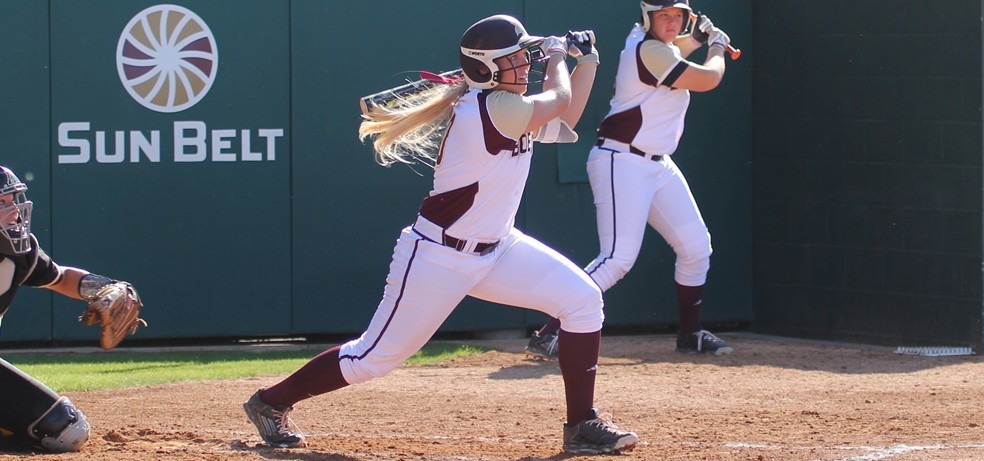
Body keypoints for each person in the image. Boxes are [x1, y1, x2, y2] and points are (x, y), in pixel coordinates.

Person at [242, 14, 638, 454]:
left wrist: (588, 61)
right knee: (371, 359)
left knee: (583, 300)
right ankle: (270, 402)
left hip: (499, 248)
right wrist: (559, 55)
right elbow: (559, 99)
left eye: (525, 57)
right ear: (485, 68)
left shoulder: (507, 105)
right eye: (514, 58)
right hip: (439, 256)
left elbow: (567, 116)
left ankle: (581, 423)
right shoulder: (493, 108)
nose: (525, 64)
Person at [525, 0, 734, 360]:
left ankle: (690, 334)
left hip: (657, 163)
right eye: (663, 15)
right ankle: (550, 332)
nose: (671, 22)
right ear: (647, 17)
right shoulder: (648, 49)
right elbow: (708, 78)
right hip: (621, 160)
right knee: (618, 258)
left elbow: (674, 52)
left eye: (678, 16)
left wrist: (697, 40)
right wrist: (716, 47)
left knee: (696, 247)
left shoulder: (656, 46)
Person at [0, 166, 139, 452]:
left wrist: (104, 288)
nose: (14, 211)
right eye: (3, 202)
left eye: (14, 200)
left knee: (63, 428)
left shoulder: (19, 254)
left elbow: (60, 277)